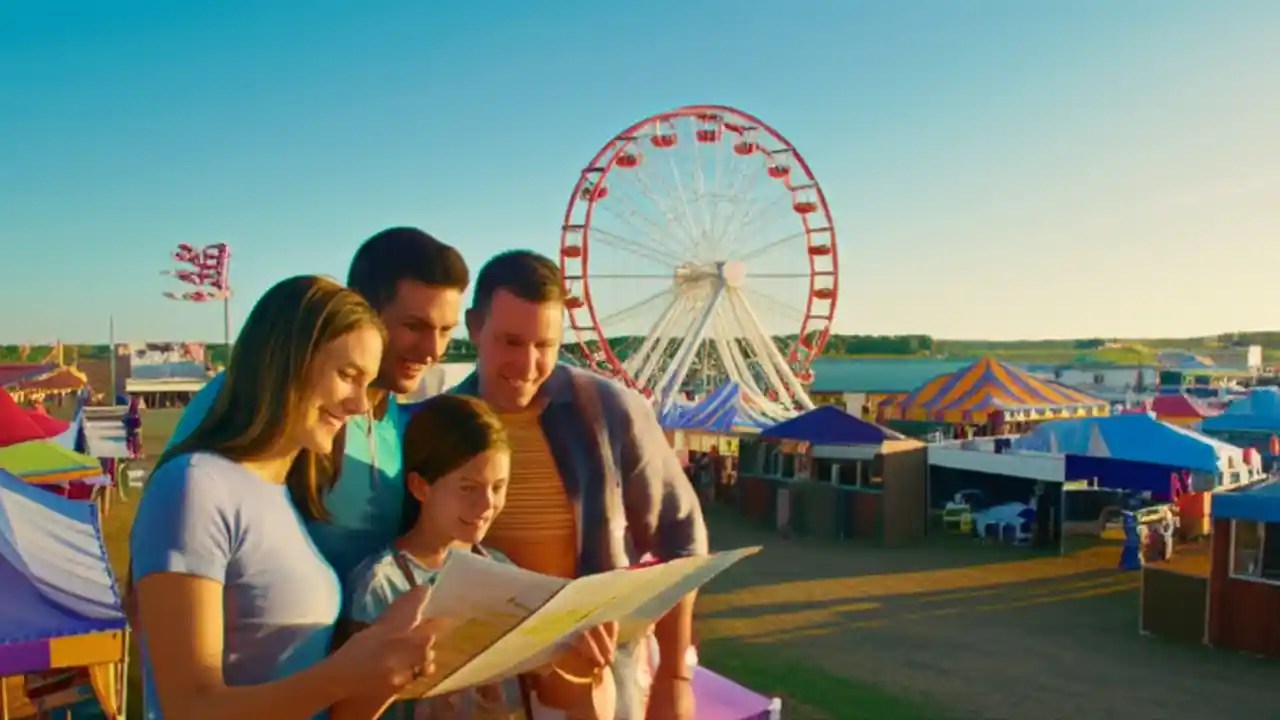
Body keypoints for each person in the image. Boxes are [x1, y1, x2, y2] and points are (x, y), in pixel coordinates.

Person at [130, 276, 440, 720]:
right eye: (347, 376)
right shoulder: (196, 488)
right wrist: (344, 673)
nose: (357, 404)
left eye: (367, 381)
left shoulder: (283, 498)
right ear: (285, 362)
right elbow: (189, 707)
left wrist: (384, 663)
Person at [452, 250, 707, 720]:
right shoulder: (440, 426)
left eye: (544, 345)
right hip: (482, 693)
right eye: (510, 341)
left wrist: (675, 675)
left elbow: (681, 535)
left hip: (598, 686)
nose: (528, 364)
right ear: (473, 327)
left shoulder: (608, 409)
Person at [166, 227, 469, 580]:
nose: (433, 350)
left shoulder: (398, 422)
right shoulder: (258, 400)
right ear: (361, 308)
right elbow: (182, 541)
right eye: (415, 326)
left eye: (446, 330)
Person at [336, 394, 617, 720]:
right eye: (468, 488)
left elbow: (554, 696)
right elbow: (348, 711)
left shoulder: (502, 571)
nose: (486, 506)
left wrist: (576, 660)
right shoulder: (380, 586)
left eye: (498, 487)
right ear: (420, 486)